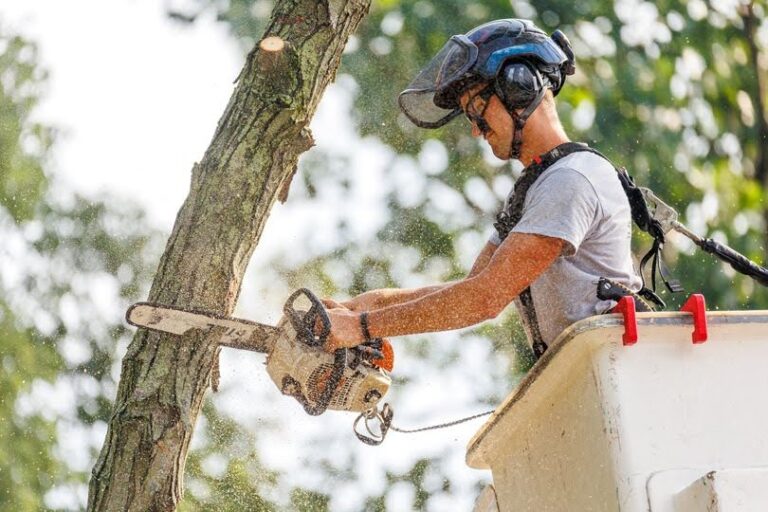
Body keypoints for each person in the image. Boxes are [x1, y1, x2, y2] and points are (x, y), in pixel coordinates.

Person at [322, 18, 643, 355]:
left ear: (519, 86)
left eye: (477, 108)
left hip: (617, 365)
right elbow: (472, 287)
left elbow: (485, 298)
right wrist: (367, 306)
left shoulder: (571, 179)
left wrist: (360, 327)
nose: (476, 129)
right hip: (586, 366)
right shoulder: (537, 186)